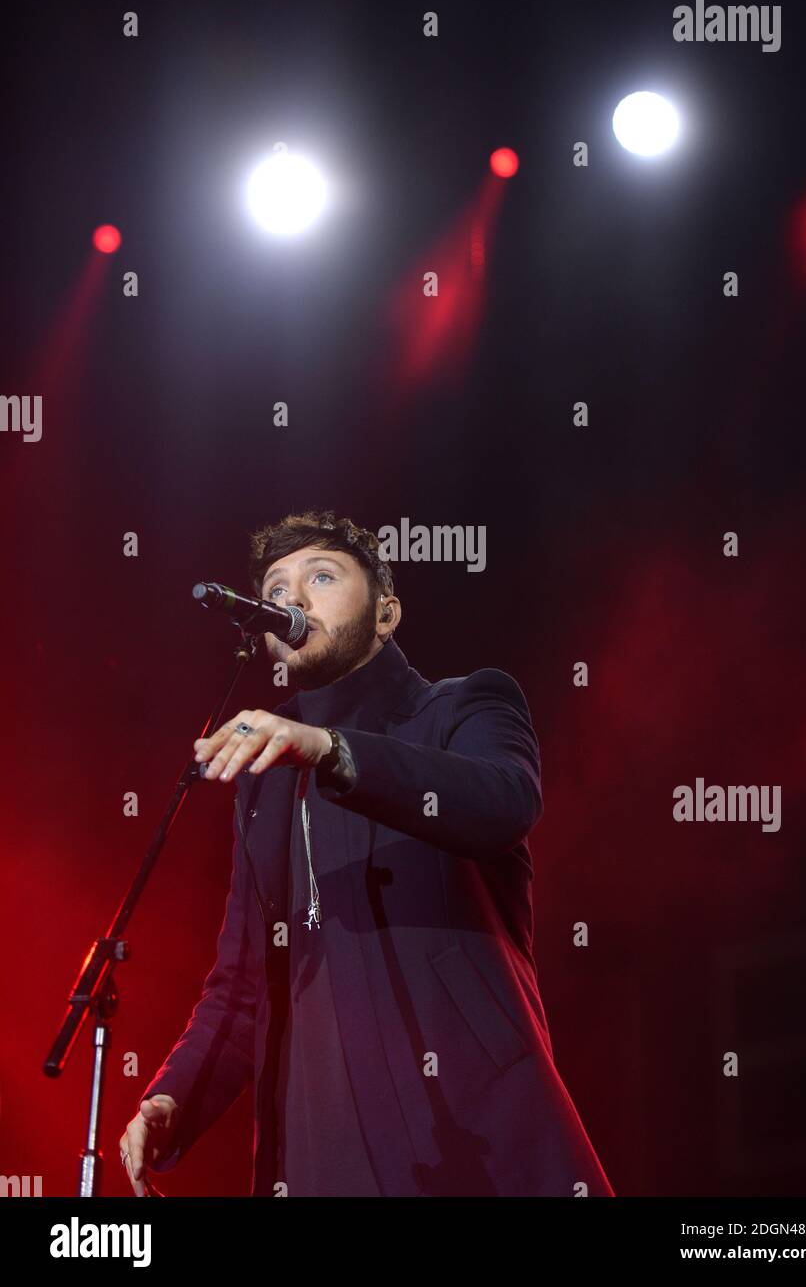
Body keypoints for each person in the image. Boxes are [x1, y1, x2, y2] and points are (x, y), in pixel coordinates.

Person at [119, 509, 614, 1197]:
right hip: (318, 1148)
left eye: (321, 577)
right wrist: (175, 1098)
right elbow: (240, 985)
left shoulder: (462, 706)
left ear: (386, 614)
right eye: (277, 586)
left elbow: (502, 802)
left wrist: (329, 750)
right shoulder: (262, 784)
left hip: (469, 1120)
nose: (291, 598)